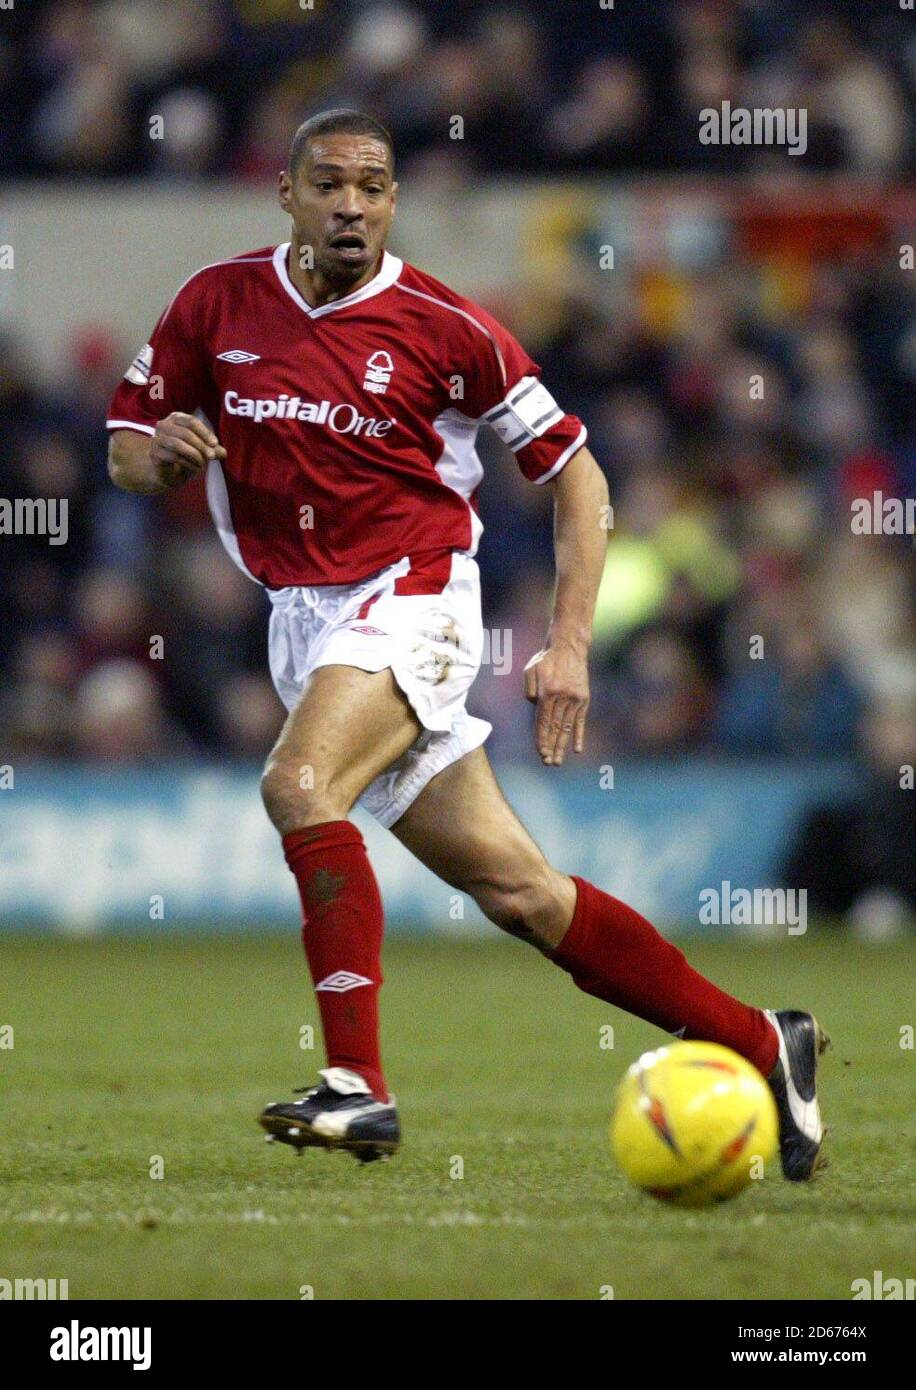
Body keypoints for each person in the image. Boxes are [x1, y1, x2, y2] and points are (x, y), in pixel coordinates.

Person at [107, 109, 827, 1180]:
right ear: (288, 196)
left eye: (374, 186)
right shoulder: (215, 302)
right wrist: (162, 457)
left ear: (393, 201)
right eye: (329, 183)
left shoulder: (447, 326)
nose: (351, 204)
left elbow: (578, 471)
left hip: (417, 597)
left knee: (300, 786)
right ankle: (765, 1040)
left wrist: (569, 642)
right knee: (523, 893)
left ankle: (357, 1087)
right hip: (302, 620)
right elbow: (126, 451)